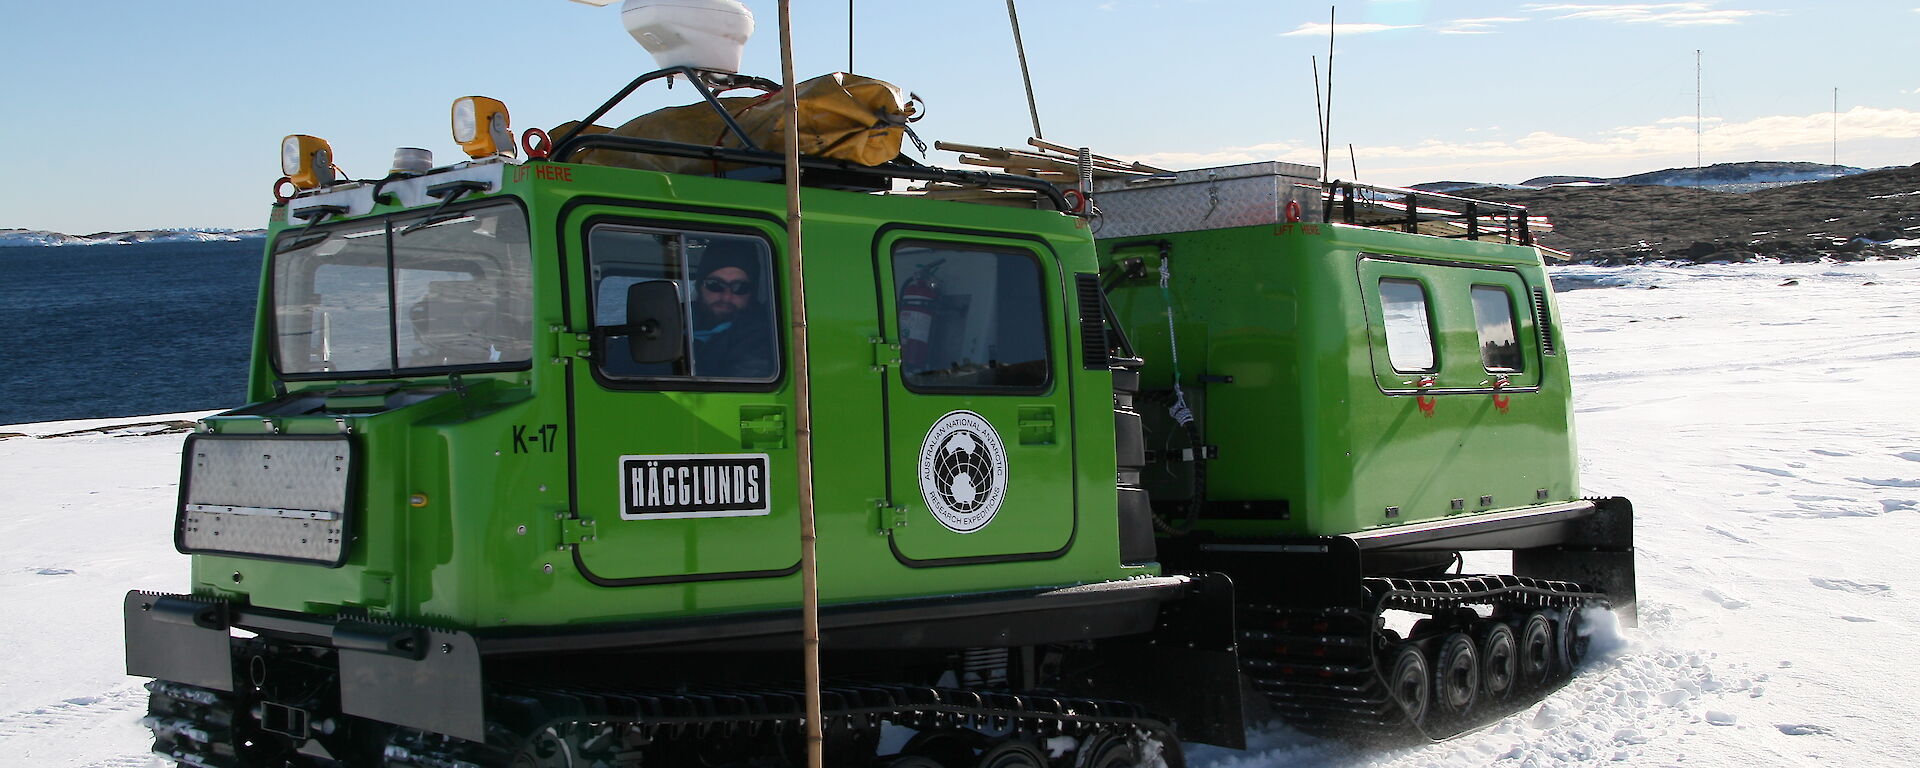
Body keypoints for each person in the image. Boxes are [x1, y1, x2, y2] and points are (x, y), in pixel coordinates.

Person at [689, 243, 776, 379]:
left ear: (751, 294)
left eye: (740, 287)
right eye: (715, 285)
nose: (726, 297)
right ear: (699, 285)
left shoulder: (765, 337)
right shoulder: (674, 319)